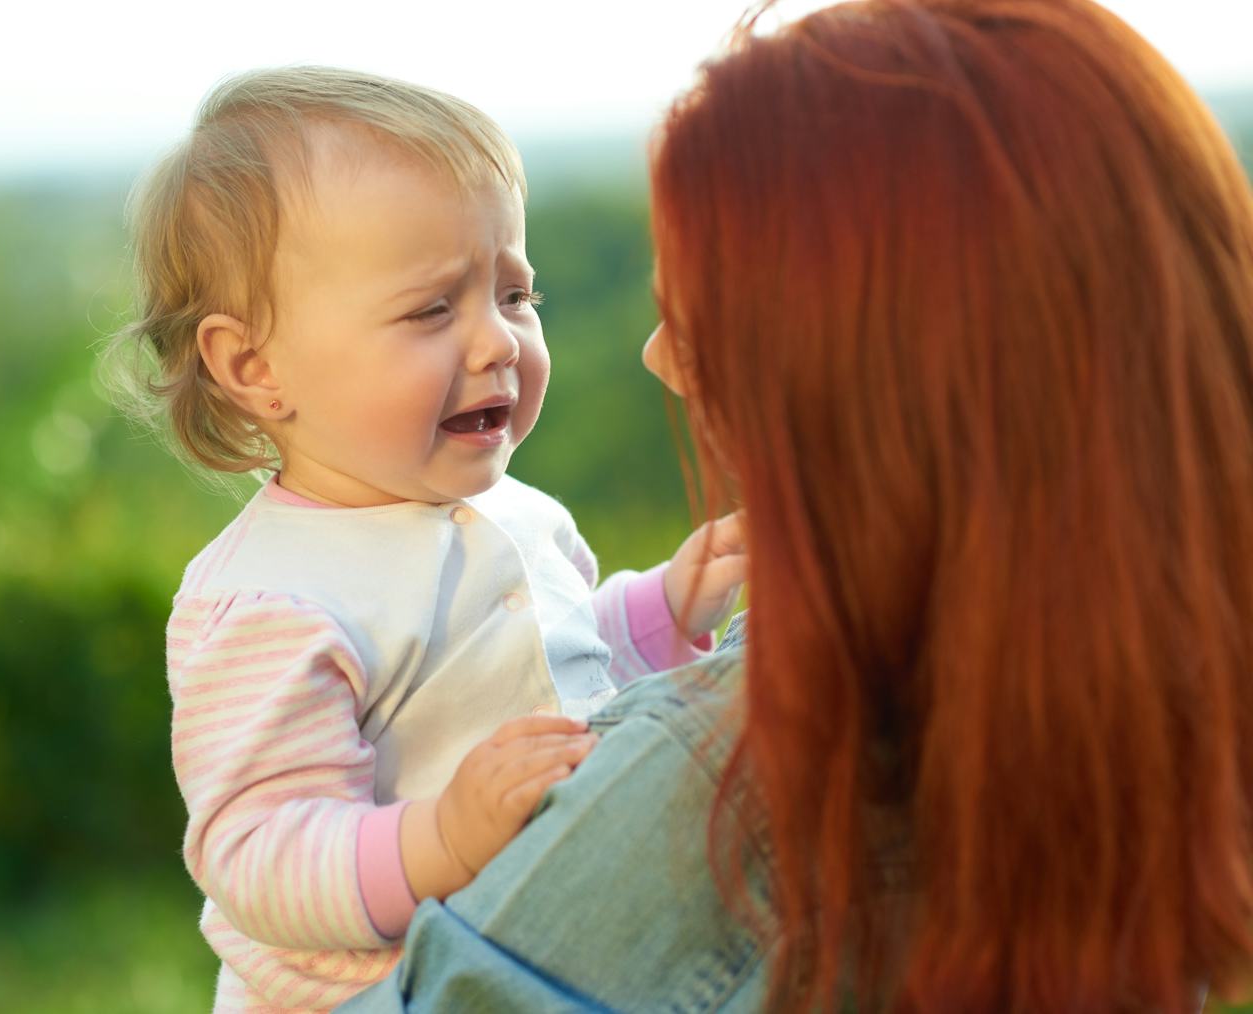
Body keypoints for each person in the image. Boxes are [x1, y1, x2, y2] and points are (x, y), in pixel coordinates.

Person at [340, 0, 1253, 1010]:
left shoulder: (724, 789)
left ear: (876, 378)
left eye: (712, 321)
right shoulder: (1167, 720)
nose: (660, 362)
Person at [103, 67, 745, 1012]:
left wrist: (662, 610)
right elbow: (258, 850)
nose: (496, 343)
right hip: (378, 993)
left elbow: (558, 681)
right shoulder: (271, 600)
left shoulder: (525, 516)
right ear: (255, 367)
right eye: (431, 310)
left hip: (540, 947)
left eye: (516, 294)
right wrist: (440, 837)